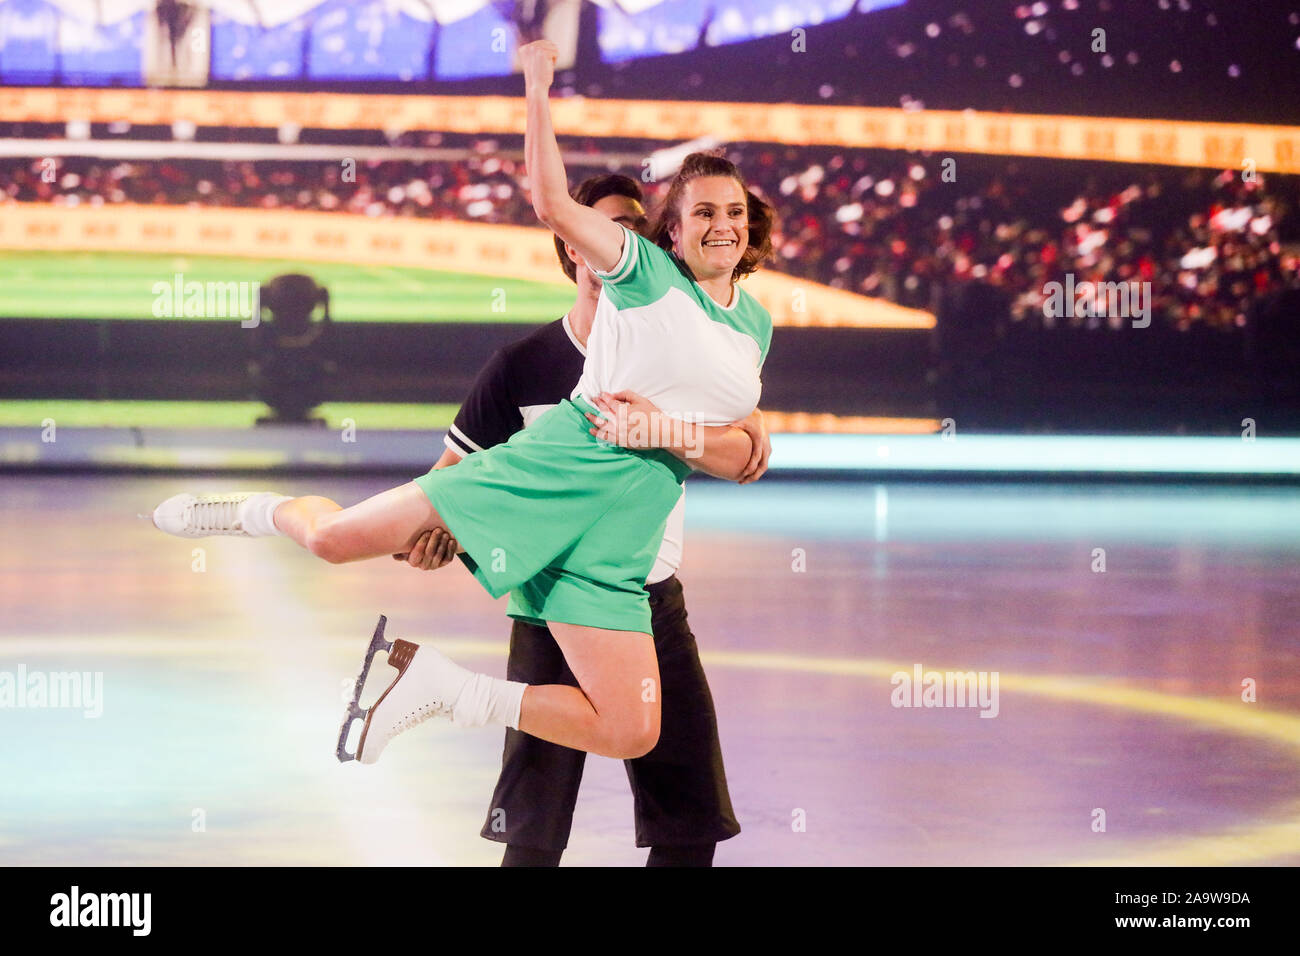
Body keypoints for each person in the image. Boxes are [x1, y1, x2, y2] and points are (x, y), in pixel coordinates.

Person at [150, 39, 775, 798]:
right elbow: (550, 201)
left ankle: (444, 688)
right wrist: (538, 85)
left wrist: (674, 434)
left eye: (734, 212)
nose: (723, 225)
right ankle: (249, 510)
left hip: (623, 537)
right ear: (669, 231)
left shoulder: (755, 327)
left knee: (632, 727)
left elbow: (744, 448)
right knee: (335, 541)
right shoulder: (641, 275)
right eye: (703, 211)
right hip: (556, 472)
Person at [403, 171, 770, 867]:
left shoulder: (688, 337)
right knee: (533, 833)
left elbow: (738, 435)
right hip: (549, 612)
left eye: (637, 225)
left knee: (689, 825)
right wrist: (435, 539)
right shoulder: (520, 367)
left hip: (652, 602)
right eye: (606, 226)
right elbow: (451, 484)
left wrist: (745, 430)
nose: (624, 240)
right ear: (573, 245)